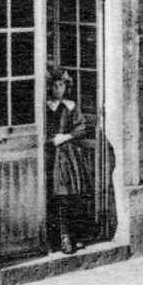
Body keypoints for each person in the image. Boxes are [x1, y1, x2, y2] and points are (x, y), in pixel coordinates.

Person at [45, 68, 94, 254]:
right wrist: (51, 140)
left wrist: (66, 137)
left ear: (66, 86)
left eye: (61, 85)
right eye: (54, 85)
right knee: (53, 196)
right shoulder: (45, 106)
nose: (58, 89)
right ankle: (53, 237)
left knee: (68, 195)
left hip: (67, 155)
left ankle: (68, 236)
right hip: (50, 154)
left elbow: (81, 127)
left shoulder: (71, 106)